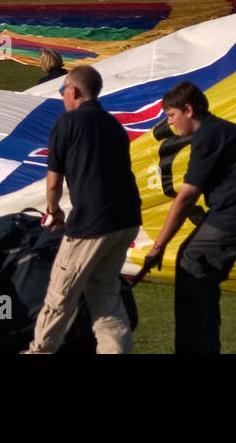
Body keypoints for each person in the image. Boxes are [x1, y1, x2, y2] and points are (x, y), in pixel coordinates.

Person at [142, 81, 236, 354]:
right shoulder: (212, 132)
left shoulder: (209, 136)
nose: (170, 124)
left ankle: (194, 348)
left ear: (188, 110)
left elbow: (186, 197)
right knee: (197, 265)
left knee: (192, 261)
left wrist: (158, 246)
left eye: (171, 116)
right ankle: (204, 345)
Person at [25, 65, 141, 354]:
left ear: (73, 90)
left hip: (92, 223)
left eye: (63, 90)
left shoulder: (68, 123)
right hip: (126, 219)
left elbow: (54, 183)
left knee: (60, 294)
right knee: (105, 292)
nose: (63, 96)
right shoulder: (113, 125)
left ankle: (39, 351)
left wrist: (54, 211)